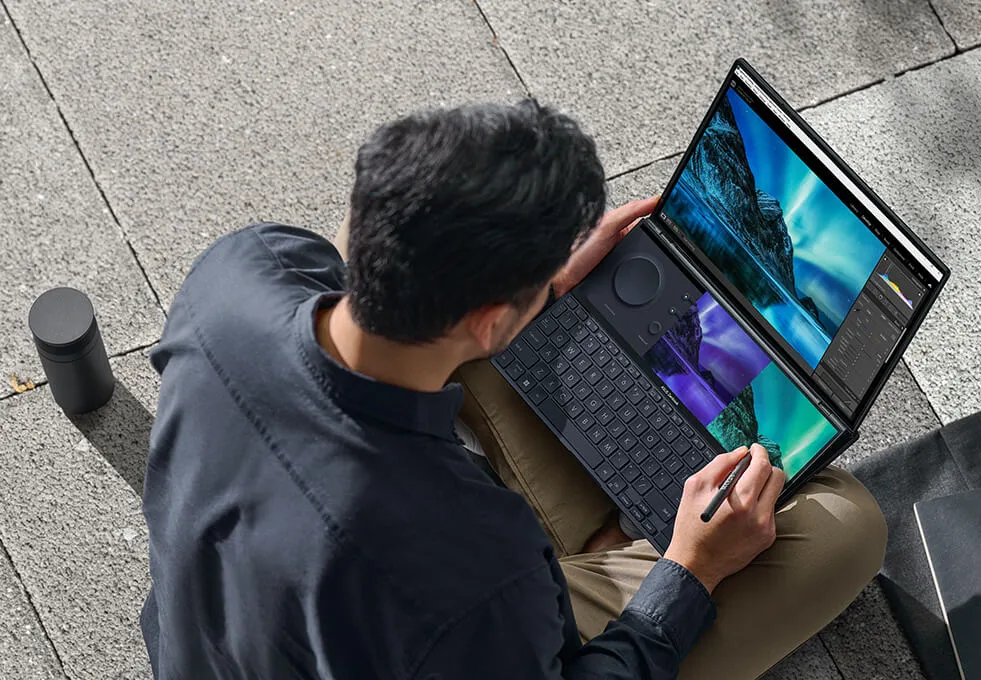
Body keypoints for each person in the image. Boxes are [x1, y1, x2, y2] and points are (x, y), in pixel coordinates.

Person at [140, 99, 886, 679]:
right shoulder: (479, 566)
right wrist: (694, 568)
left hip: (230, 632)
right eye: (534, 283)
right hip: (439, 626)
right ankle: (616, 546)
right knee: (845, 524)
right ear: (491, 318)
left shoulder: (237, 272)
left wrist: (545, 288)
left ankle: (604, 535)